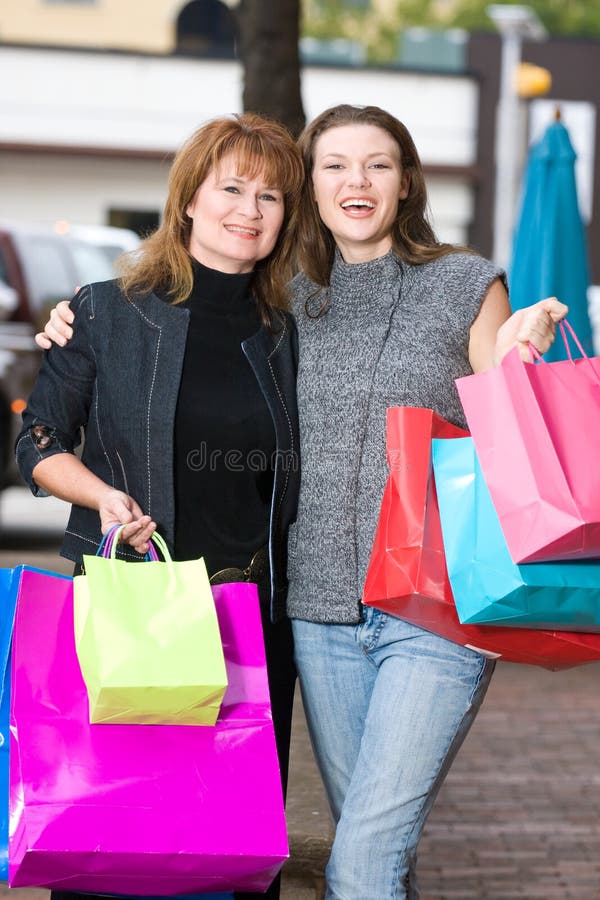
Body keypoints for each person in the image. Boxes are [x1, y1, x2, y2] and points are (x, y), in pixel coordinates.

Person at [37, 103, 568, 899]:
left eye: (379, 164)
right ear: (311, 188)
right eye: (335, 165)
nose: (358, 180)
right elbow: (164, 324)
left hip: (434, 606)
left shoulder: (463, 283)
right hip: (318, 618)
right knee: (373, 847)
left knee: (363, 862)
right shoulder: (285, 299)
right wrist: (73, 322)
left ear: (406, 182)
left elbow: (504, 411)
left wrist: (521, 350)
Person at [18, 112, 304, 900]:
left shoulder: (286, 332)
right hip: (132, 612)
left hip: (245, 622)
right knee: (113, 833)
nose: (249, 210)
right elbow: (37, 444)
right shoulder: (106, 311)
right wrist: (103, 497)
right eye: (232, 188)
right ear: (189, 200)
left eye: (270, 196)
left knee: (231, 844)